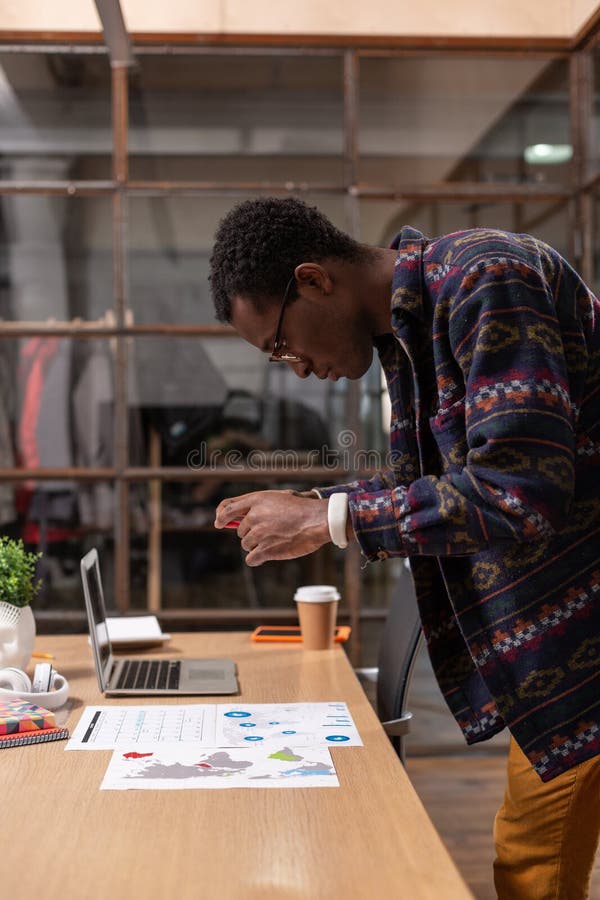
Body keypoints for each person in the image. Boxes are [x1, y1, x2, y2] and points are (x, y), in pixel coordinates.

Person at [210, 197, 600, 899]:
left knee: (533, 866)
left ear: (313, 280)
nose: (297, 368)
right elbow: (434, 480)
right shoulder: (411, 325)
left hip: (582, 633)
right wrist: (312, 505)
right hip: (566, 636)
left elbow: (519, 491)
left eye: (281, 344)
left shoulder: (486, 276)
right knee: (530, 859)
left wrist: (330, 519)